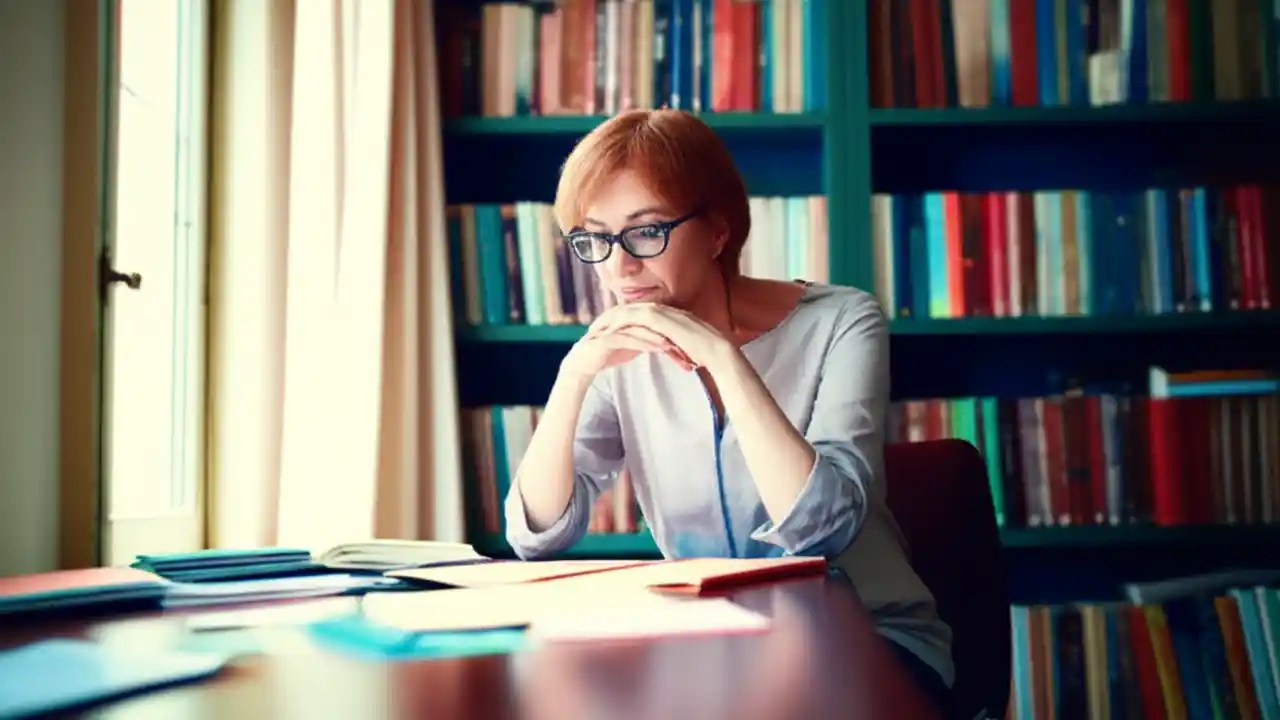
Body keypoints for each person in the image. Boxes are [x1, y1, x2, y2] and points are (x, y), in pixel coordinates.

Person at [502, 108, 954, 706]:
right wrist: (573, 377)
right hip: (709, 644)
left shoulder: (844, 320)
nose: (618, 265)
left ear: (719, 231)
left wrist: (722, 356)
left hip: (871, 636)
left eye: (645, 231)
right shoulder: (620, 348)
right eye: (595, 237)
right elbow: (536, 536)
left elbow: (824, 527)